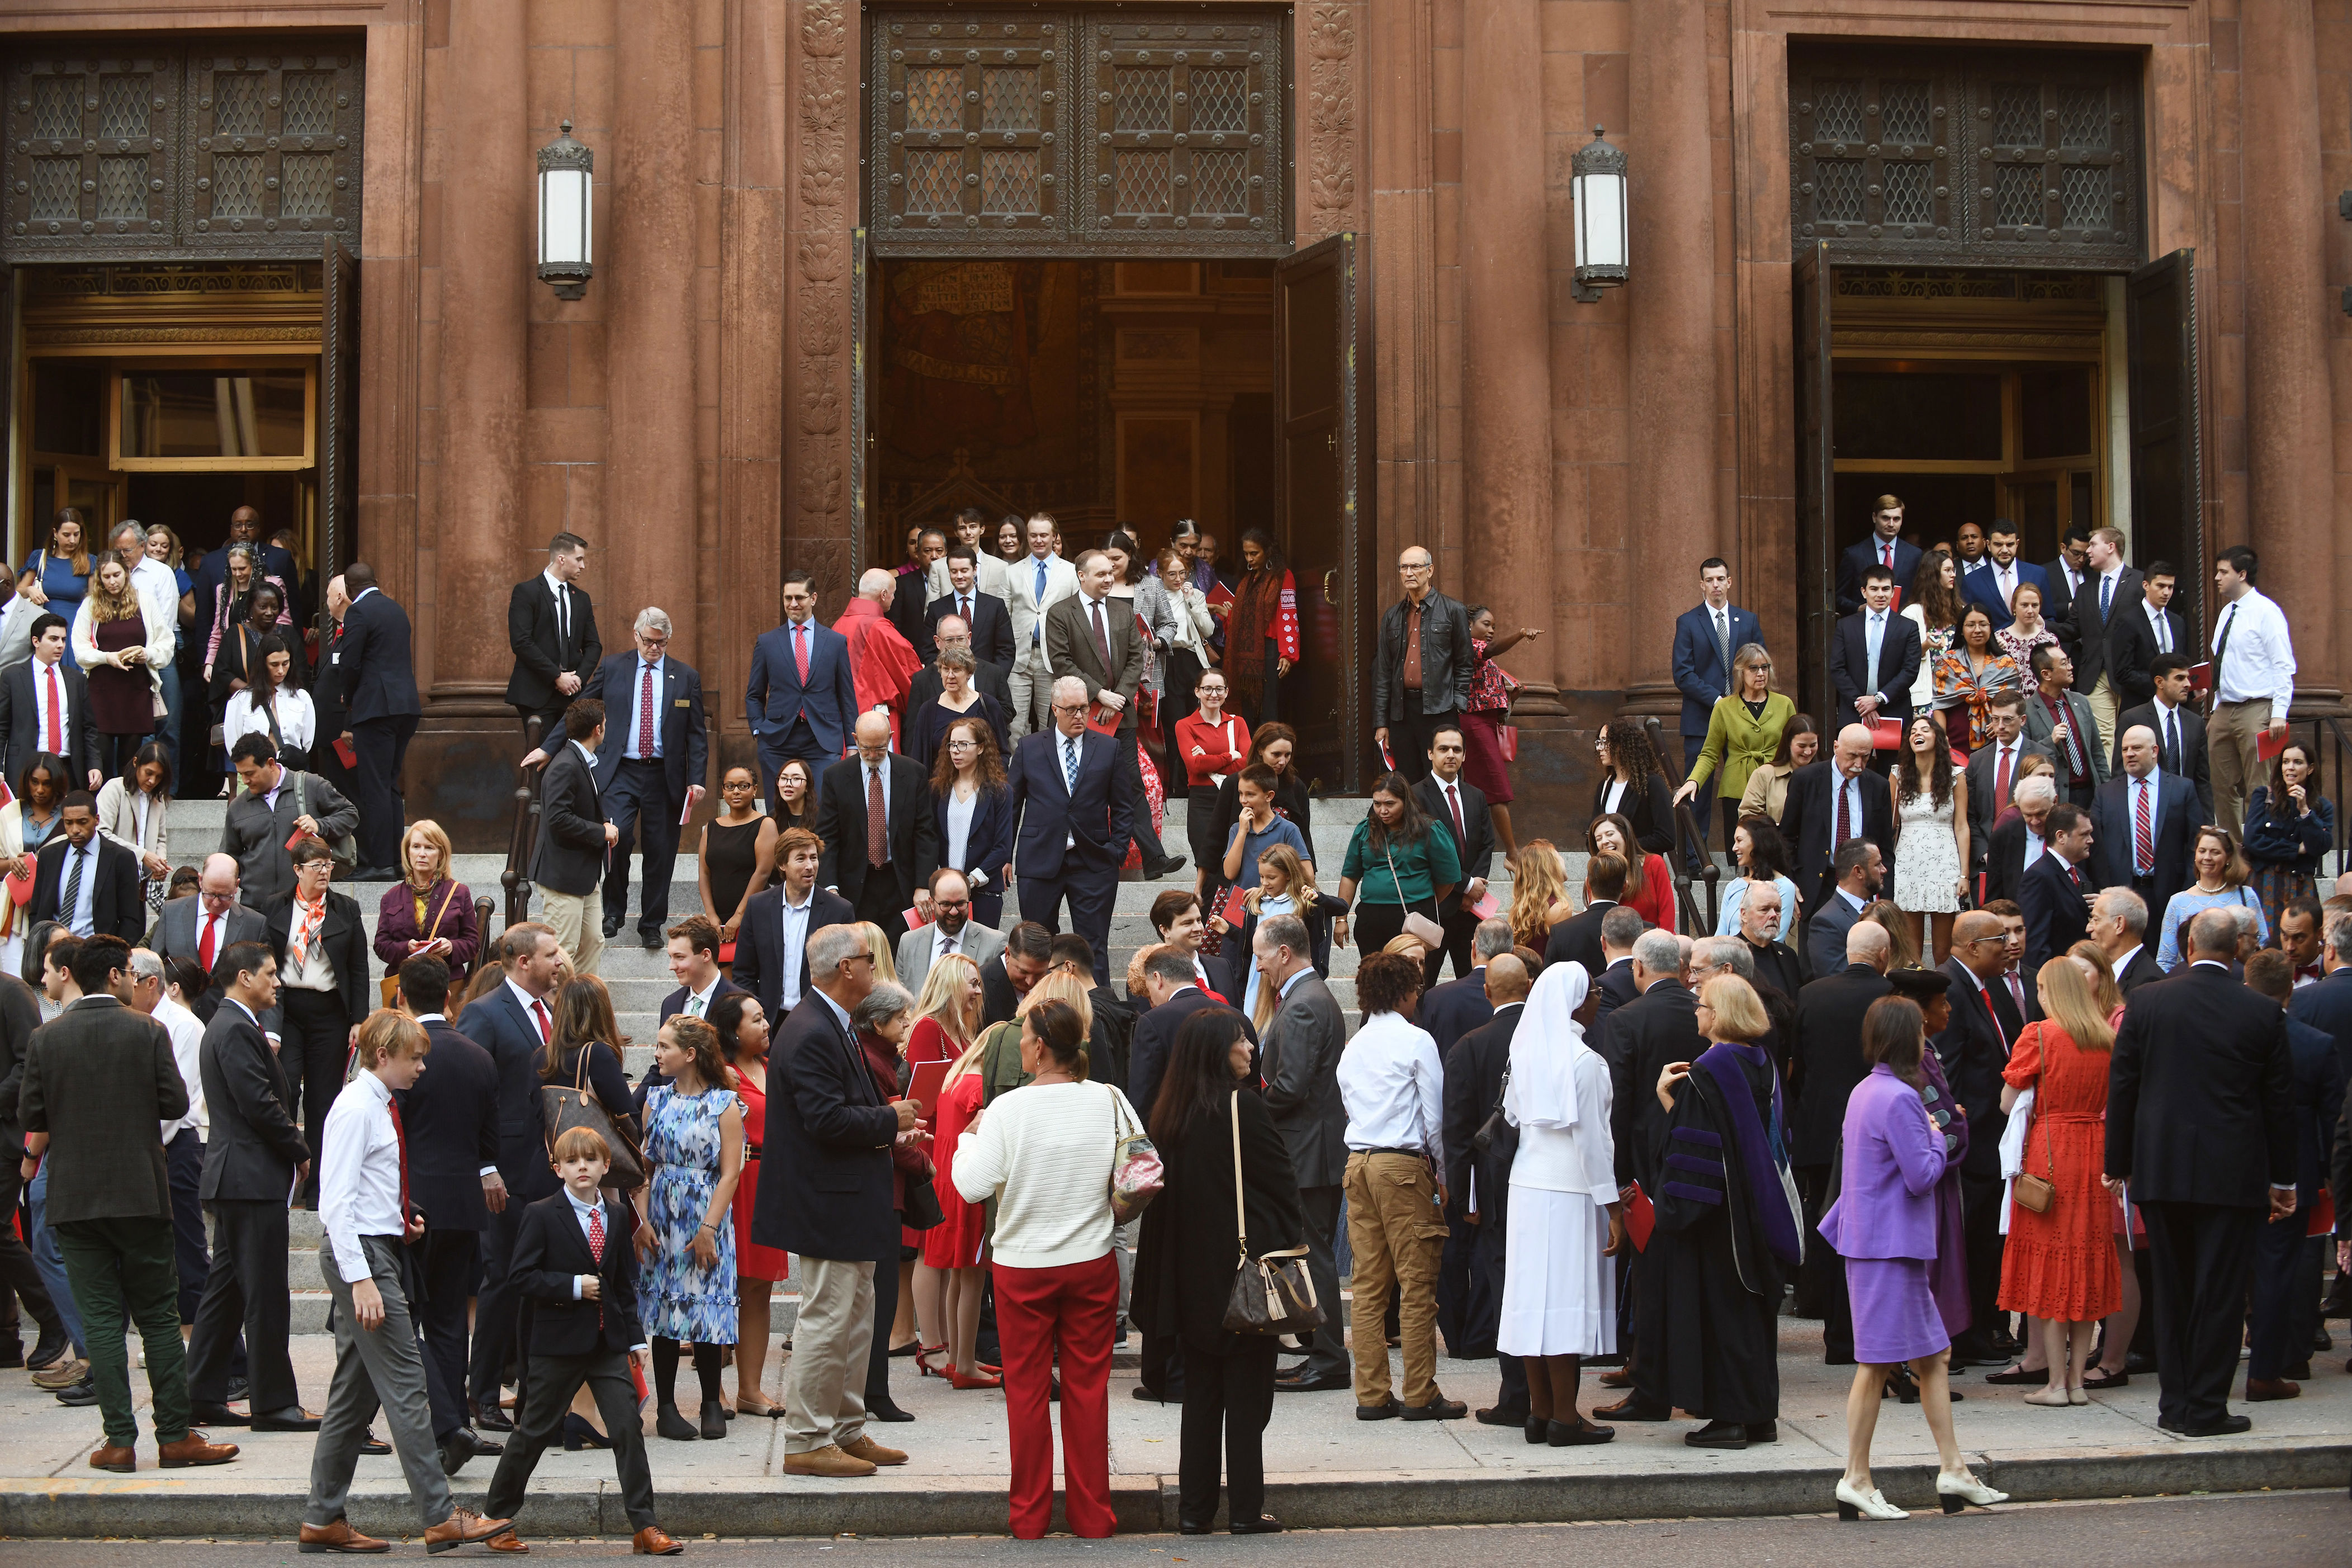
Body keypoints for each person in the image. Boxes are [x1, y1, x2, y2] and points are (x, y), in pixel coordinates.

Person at [17, 934, 235, 1474]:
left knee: (101, 1321)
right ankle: (174, 1435)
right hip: (140, 1193)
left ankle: (118, 1441)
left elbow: (32, 1115)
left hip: (75, 1197)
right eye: (131, 976)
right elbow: (176, 1102)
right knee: (160, 1319)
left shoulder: (48, 1038)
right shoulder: (148, 1031)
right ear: (115, 976)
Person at [299, 1009, 510, 1553]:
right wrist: (363, 1279)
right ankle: (440, 1516)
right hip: (364, 1259)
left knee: (354, 1394)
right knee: (408, 1385)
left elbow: (365, 1192)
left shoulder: (378, 1104)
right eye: (414, 1058)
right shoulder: (355, 1109)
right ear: (381, 1056)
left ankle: (323, 1517)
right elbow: (335, 1205)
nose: (421, 1066)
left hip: (380, 1249)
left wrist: (401, 1219)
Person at [2105, 907, 2297, 1437]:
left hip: (2161, 1168)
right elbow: (2278, 1105)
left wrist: (2116, 1163)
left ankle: (2175, 1403)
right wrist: (2283, 1179)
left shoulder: (2146, 1002)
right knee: (2219, 1289)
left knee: (2171, 1287)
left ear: (2188, 946)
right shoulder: (2261, 1012)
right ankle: (2206, 1406)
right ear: (2237, 949)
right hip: (2231, 1173)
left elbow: (2123, 1085)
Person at [1817, 994, 2008, 1522]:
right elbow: (1923, 1174)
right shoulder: (1900, 1098)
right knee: (1876, 1363)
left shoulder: (1866, 1090)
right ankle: (1855, 1477)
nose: (1929, 1039)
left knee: (1933, 1357)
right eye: (1922, 1031)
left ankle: (1954, 1470)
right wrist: (1935, 1136)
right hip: (1888, 1245)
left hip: (1880, 1241)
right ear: (1909, 1038)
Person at [944, 997, 1125, 1537]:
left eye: (1025, 1036)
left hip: (1023, 1266)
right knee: (1088, 1388)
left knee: (1024, 1391)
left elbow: (973, 1185)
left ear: (1041, 1046)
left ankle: (1029, 1515)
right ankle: (1093, 1514)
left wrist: (964, 1140)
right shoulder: (1109, 1098)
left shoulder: (1007, 1110)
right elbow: (1140, 1164)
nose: (1021, 1043)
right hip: (1091, 1258)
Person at [759, 922, 919, 1478]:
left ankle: (846, 1429)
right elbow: (824, 1119)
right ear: (843, 969)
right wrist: (888, 1119)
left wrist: (885, 1126)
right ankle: (806, 1439)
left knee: (855, 1319)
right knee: (828, 1318)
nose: (873, 967)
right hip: (825, 1202)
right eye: (867, 960)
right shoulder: (809, 1029)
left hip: (849, 1199)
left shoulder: (832, 1023)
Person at [1135, 1005, 1302, 1533]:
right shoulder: (1243, 1107)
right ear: (1216, 1050)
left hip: (1187, 1280)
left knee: (1202, 1397)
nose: (1250, 1050)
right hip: (1240, 1277)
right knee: (1247, 1396)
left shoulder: (1171, 1112)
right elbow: (1282, 1187)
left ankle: (1194, 1510)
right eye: (1240, 1042)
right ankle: (1247, 1510)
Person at [476, 1125, 675, 1555]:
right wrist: (572, 1286)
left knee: (627, 1428)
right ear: (557, 1168)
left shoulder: (618, 1216)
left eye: (590, 1159)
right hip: (557, 1344)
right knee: (532, 1432)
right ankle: (496, 1520)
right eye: (571, 1161)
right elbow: (521, 1276)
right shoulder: (542, 1213)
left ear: (607, 1165)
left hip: (607, 1344)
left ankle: (646, 1526)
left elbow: (623, 1284)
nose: (581, 1167)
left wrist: (636, 1340)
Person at [1639, 973, 1801, 1448]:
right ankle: (1758, 1416)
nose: (1696, 1011)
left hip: (1717, 1220)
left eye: (1702, 1004)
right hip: (1756, 1205)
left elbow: (1696, 1152)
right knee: (1750, 1314)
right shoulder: (1760, 1060)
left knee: (1721, 1314)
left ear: (1720, 1015)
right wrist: (1675, 1101)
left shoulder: (1712, 1067)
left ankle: (1729, 1419)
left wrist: (1672, 1211)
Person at [181, 938, 311, 1429]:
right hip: (247, 1178)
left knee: (227, 1293)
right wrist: (299, 1150)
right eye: (271, 973)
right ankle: (274, 1403)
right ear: (244, 978)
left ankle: (203, 1394)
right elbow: (258, 1103)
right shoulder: (234, 1027)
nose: (278, 981)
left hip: (240, 1177)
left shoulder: (234, 1024)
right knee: (265, 1295)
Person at [527, 607, 709, 952]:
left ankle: (652, 923)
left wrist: (696, 778)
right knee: (615, 840)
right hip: (619, 771)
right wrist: (549, 749)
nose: (655, 648)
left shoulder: (685, 677)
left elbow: (696, 733)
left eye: (662, 642)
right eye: (649, 641)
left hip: (664, 775)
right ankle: (613, 913)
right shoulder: (613, 667)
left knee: (661, 850)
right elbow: (580, 708)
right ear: (636, 636)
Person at [1495, 959, 1623, 1446]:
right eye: (1592, 993)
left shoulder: (1525, 1052)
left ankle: (1541, 1410)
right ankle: (1565, 1416)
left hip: (1527, 1184)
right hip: (1570, 1189)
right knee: (1564, 1299)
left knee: (1534, 1298)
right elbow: (1594, 1142)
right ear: (1574, 1001)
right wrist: (1612, 1205)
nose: (1597, 1000)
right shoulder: (1583, 1061)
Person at [389, 954, 505, 1475]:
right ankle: (456, 1417)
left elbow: (393, 1134)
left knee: (404, 1319)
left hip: (412, 1204)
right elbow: (489, 1138)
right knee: (450, 1319)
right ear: (450, 996)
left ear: (402, 999)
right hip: (463, 1203)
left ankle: (441, 1421)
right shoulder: (479, 1056)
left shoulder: (404, 1055)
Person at [1991, 955, 2125, 1404]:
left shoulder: (2039, 1035)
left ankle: (2053, 1383)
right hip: (2094, 1150)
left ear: (2051, 991)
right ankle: (2076, 1380)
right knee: (2085, 1264)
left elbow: (2008, 1101)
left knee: (2049, 1269)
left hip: (2050, 1152)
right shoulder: (2106, 1037)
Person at [1333, 950, 1456, 1419]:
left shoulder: (1355, 1045)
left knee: (1368, 1284)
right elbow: (1434, 1117)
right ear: (1407, 992)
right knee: (1417, 1281)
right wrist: (1441, 1174)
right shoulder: (1416, 1040)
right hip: (1401, 1165)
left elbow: (1348, 1106)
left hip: (1358, 1162)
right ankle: (1420, 1391)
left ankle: (1371, 1393)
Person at [462, 924, 565, 1434]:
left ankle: (533, 1393)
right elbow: (468, 1090)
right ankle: (481, 1393)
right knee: (502, 1281)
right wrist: (484, 1167)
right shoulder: (485, 1014)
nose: (559, 963)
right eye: (551, 955)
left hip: (549, 1172)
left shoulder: (553, 1012)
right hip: (504, 1175)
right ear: (524, 961)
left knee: (536, 1285)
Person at [2241, 950, 2342, 1400]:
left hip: (2230, 1172)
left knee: (2226, 1271)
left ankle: (2211, 1367)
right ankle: (2267, 1367)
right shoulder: (2314, 1043)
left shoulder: (2228, 1037)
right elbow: (2333, 1122)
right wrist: (2327, 1175)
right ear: (2290, 990)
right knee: (2278, 1273)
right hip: (2294, 1175)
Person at [638, 1014, 744, 1442]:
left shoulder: (724, 1103)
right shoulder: (655, 1098)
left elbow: (731, 1173)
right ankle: (666, 1407)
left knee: (707, 1308)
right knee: (665, 1311)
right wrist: (643, 1219)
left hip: (706, 1209)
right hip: (662, 1212)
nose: (657, 1053)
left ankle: (710, 1402)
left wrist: (708, 1227)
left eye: (664, 1046)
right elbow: (643, 1166)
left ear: (690, 1054)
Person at [1045, 548, 1181, 880]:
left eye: (1111, 573)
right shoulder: (1061, 613)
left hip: (1120, 716)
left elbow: (1139, 657)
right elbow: (1062, 661)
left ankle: (1153, 858)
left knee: (1130, 784)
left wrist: (1118, 698)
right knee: (1075, 787)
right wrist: (1099, 695)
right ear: (1082, 576)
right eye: (1101, 574)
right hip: (1076, 715)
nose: (1109, 579)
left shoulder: (1123, 610)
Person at [1006, 676, 1134, 985]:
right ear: (1054, 710)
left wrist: (1117, 850)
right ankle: (1038, 1010)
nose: (1079, 716)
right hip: (1039, 859)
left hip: (1093, 861)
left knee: (1093, 947)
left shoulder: (1108, 748)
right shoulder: (1029, 747)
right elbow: (1011, 806)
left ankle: (1100, 1016)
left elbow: (1123, 805)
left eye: (1084, 709)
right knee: (1036, 946)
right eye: (1072, 709)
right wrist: (1005, 855)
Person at [268, 836, 370, 1206]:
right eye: (317, 866)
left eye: (328, 865)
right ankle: (286, 1176)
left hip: (330, 1013)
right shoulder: (275, 907)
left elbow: (358, 968)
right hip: (289, 1009)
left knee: (324, 1100)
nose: (325, 872)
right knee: (286, 1088)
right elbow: (269, 965)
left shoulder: (347, 909)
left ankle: (318, 1190)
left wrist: (359, 1019)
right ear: (298, 870)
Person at [326, 562, 421, 880]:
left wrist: (348, 699)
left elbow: (350, 664)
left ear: (349, 591)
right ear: (375, 581)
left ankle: (380, 863)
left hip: (376, 709)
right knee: (391, 785)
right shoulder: (397, 610)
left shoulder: (358, 612)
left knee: (375, 787)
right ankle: (396, 861)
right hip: (405, 708)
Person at [815, 711, 940, 947]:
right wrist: (830, 887)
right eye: (866, 748)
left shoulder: (914, 773)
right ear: (855, 738)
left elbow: (925, 832)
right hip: (854, 883)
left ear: (891, 737)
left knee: (899, 952)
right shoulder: (836, 777)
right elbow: (828, 837)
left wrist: (923, 884)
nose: (873, 755)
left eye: (880, 748)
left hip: (900, 880)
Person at [747, 568, 859, 817]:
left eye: (800, 597)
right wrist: (758, 728)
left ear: (814, 598)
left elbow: (847, 695)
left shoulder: (835, 641)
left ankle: (815, 857)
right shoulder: (767, 642)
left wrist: (852, 743)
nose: (794, 604)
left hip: (822, 740)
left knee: (820, 810)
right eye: (788, 598)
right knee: (779, 812)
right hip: (777, 739)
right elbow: (754, 693)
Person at [1670, 560, 1765, 855]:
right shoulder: (1688, 622)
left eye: (1721, 579)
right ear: (1702, 585)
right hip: (1703, 717)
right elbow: (1683, 673)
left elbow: (1759, 662)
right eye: (1709, 580)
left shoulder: (1747, 620)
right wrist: (1718, 701)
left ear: (1730, 582)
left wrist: (1740, 702)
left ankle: (1750, 854)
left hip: (1743, 719)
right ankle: (1695, 858)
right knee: (1697, 790)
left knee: (1746, 791)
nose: (1716, 585)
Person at [1674, 644, 1793, 859]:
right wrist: (1694, 781)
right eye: (1754, 668)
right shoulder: (1725, 707)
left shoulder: (1784, 704)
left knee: (1778, 852)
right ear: (1740, 671)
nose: (1761, 673)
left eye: (1765, 668)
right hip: (1738, 787)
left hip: (1776, 786)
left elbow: (1795, 747)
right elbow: (1709, 753)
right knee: (1743, 855)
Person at [729, 826, 855, 1021]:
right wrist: (755, 1015)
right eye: (801, 859)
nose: (810, 866)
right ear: (782, 864)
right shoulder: (758, 906)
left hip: (819, 1021)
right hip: (769, 1020)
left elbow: (847, 974)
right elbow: (744, 971)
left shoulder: (839, 911)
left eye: (813, 858)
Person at [531, 697, 617, 975]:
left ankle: (581, 1005)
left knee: (593, 941)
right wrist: (600, 831)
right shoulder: (566, 764)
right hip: (563, 874)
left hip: (584, 874)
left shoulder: (580, 760)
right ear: (597, 729)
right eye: (605, 722)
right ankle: (554, 1012)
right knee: (561, 948)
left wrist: (600, 824)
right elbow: (557, 819)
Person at [1372, 546, 1473, 784]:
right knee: (1407, 781)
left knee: (1443, 778)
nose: (1409, 573)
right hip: (1402, 712)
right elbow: (1383, 672)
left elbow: (1465, 662)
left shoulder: (1453, 610)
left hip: (1441, 710)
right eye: (1404, 567)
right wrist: (1381, 722)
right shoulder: (1392, 616)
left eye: (1415, 567)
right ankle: (1415, 824)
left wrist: (1458, 703)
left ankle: (1443, 823)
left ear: (1430, 571)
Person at [71, 551, 170, 781]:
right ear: (100, 579)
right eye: (106, 577)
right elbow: (80, 650)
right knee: (101, 755)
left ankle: (128, 809)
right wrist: (108, 658)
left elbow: (166, 643)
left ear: (126, 574)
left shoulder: (145, 601)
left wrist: (147, 653)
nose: (112, 581)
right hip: (101, 688)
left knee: (131, 761)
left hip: (135, 687)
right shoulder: (90, 605)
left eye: (117, 575)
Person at [2089, 724, 2199, 931]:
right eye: (2124, 749)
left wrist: (2188, 889)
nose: (2129, 754)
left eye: (2136, 748)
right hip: (2121, 895)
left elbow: (2195, 842)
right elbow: (2094, 847)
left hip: (2170, 891)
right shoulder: (2105, 793)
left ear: (2155, 751)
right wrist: (2104, 890)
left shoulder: (2182, 789)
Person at [1409, 726, 1496, 984]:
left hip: (1470, 912)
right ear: (1430, 753)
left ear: (1465, 756)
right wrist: (1466, 886)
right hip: (1435, 907)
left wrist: (1475, 889)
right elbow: (1424, 852)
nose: (1451, 755)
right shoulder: (1415, 796)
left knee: (1473, 985)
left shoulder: (1476, 796)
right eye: (1443, 749)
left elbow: (1487, 844)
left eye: (1457, 750)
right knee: (1423, 986)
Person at [1780, 723, 1892, 918]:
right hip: (1816, 885)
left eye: (1865, 757)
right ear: (1836, 747)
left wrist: (1886, 898)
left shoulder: (1878, 786)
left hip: (1863, 886)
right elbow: (1786, 837)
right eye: (1852, 756)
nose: (1859, 765)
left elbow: (1885, 847)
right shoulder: (1806, 779)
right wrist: (1790, 884)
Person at [503, 532, 601, 741]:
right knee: (541, 760)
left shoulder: (581, 599)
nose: (583, 566)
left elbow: (594, 645)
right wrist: (556, 677)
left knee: (570, 761)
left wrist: (577, 679)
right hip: (536, 694)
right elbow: (521, 642)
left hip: (573, 697)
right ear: (562, 559)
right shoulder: (527, 592)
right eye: (579, 559)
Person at [1888, 714, 1966, 963]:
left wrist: (1964, 875)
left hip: (1945, 864)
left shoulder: (1956, 776)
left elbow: (1962, 826)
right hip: (1907, 863)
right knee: (1912, 952)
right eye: (1912, 732)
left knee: (1943, 951)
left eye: (1924, 730)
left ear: (1938, 738)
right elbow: (1890, 824)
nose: (1917, 735)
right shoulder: (1898, 776)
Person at [145, 852, 267, 1010]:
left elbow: (266, 979)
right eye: (210, 894)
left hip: (228, 1021)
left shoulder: (254, 923)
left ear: (237, 886)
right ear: (201, 880)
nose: (216, 903)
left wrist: (271, 1032)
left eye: (224, 896)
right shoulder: (172, 911)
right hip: (177, 1018)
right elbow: (155, 968)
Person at [1207, 723, 1314, 896]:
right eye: (1276, 754)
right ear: (1260, 751)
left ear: (1269, 796)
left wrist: (1307, 886)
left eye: (1288, 755)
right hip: (1239, 891)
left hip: (1278, 892)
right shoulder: (1235, 784)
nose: (1282, 761)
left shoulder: (1296, 790)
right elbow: (1215, 837)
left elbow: (1304, 841)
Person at [375, 818, 480, 988]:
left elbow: (473, 943)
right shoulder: (391, 897)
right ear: (408, 852)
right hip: (404, 985)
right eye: (416, 847)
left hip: (446, 984)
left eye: (429, 848)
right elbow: (381, 945)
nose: (422, 853)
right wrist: (406, 949)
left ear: (441, 855)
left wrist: (451, 947)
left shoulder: (459, 893)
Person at [2, 613, 102, 790]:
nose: (60, 645)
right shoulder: (13, 677)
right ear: (36, 641)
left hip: (68, 768)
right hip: (27, 768)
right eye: (53, 639)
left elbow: (89, 729)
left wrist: (94, 764)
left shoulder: (77, 680)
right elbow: (2, 727)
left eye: (63, 639)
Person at [29, 789, 143, 941]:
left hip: (98, 952)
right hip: (54, 949)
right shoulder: (49, 856)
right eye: (69, 823)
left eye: (82, 822)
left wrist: (116, 954)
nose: (75, 830)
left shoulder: (122, 858)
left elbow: (130, 919)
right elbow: (37, 911)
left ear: (96, 820)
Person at [1219, 529, 1303, 729]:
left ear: (1267, 551)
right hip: (1245, 654)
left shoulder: (1282, 576)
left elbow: (1288, 614)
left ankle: (1269, 755)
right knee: (1246, 709)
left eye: (1254, 553)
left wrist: (1288, 653)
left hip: (1271, 649)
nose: (1250, 558)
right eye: (1246, 554)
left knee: (1269, 706)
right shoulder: (1247, 580)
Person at [2154, 825, 2268, 971]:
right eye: (2202, 851)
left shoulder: (2247, 895)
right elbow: (2165, 960)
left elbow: (2262, 943)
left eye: (2215, 852)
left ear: (2228, 857)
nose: (2207, 858)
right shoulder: (2178, 901)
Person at [2113, 652, 2212, 822]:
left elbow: (2202, 779)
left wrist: (2207, 823)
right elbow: (2120, 772)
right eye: (2180, 678)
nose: (2188, 684)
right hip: (2145, 812)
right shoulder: (2133, 718)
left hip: (2185, 812)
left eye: (2188, 678)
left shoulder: (2195, 723)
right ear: (2160, 682)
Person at [1831, 564, 1922, 743]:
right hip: (1854, 709)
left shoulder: (1908, 627)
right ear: (1864, 592)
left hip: (1894, 709)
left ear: (1893, 592)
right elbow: (1837, 668)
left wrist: (1878, 699)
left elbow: (1910, 670)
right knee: (1852, 766)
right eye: (1874, 589)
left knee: (1891, 769)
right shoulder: (1846, 626)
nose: (1880, 594)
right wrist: (1863, 703)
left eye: (1886, 589)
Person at [835, 568, 927, 741]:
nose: (894, 598)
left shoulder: (840, 623)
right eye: (893, 594)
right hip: (875, 715)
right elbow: (910, 671)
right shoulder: (878, 627)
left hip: (843, 711)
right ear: (884, 594)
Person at [2244, 741, 2334, 917]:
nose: (2290, 768)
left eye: (2297, 762)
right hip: (2265, 882)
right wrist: (2296, 849)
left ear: (2310, 769)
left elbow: (2319, 847)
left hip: (2301, 884)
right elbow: (2252, 841)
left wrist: (2305, 811)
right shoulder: (2264, 796)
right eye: (2286, 762)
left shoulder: (2322, 807)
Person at [693, 765, 776, 955]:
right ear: (723, 791)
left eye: (743, 786)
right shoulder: (711, 827)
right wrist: (711, 915)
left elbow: (762, 873)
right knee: (724, 976)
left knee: (745, 977)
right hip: (719, 919)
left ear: (755, 789)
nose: (736, 791)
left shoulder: (765, 824)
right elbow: (704, 874)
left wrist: (739, 915)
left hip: (753, 914)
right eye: (730, 786)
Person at [1933, 604, 2022, 757]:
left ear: (1990, 628)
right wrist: (1942, 738)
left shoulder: (2005, 663)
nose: (1978, 630)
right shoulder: (1947, 662)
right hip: (1954, 741)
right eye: (1971, 625)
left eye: (1983, 625)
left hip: (1996, 737)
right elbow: (1939, 705)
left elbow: (2013, 702)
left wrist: (2001, 724)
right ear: (1961, 630)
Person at [906, 646, 1009, 776]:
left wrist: (991, 783)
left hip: (982, 786)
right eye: (945, 669)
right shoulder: (928, 710)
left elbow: (1003, 753)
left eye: (957, 670)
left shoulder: (989, 705)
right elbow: (919, 758)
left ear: (969, 673)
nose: (950, 676)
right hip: (940, 789)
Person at [219, 633, 315, 773]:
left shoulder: (302, 698)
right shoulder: (241, 699)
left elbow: (307, 743)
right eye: (274, 664)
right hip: (253, 774)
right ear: (263, 664)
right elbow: (233, 744)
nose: (281, 670)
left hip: (290, 773)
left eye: (285, 663)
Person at [2019, 800, 2095, 972]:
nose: (2091, 840)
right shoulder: (2038, 877)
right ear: (2061, 836)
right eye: (2084, 834)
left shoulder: (2079, 874)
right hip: (2057, 981)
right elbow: (2035, 943)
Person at [2111, 558, 2189, 708]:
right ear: (2146, 585)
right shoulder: (2128, 621)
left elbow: (2181, 663)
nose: (2166, 592)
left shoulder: (2177, 622)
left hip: (2175, 707)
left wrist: (2191, 688)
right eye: (2160, 586)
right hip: (2141, 705)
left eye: (2170, 587)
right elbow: (2122, 672)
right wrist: (2162, 685)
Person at [1902, 546, 1963, 735]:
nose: (1953, 575)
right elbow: (1902, 658)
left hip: (1958, 693)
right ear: (1933, 575)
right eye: (1947, 571)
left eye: (1953, 570)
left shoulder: (1961, 609)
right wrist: (1927, 645)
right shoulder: (1913, 613)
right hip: (1928, 696)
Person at [1804, 839, 1885, 981]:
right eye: (1878, 865)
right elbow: (1837, 980)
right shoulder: (1826, 922)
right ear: (1858, 871)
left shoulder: (1881, 910)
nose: (1884, 870)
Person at [926, 540, 1016, 667]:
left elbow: (1006, 650)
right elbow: (928, 652)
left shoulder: (995, 606)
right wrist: (944, 678)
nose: (959, 576)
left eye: (964, 570)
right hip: (947, 682)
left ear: (974, 570)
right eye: (954, 571)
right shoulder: (936, 608)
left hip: (986, 682)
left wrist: (993, 680)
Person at [1713, 817, 1799, 943]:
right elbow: (1720, 937)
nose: (1734, 848)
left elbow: (1775, 940)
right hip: (1729, 958)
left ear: (1758, 842)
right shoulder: (1733, 886)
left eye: (1740, 841)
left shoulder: (1784, 886)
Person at [1835, 493, 1923, 613]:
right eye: (1886, 518)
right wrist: (1858, 608)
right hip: (1864, 625)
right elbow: (1838, 598)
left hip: (1902, 626)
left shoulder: (1914, 555)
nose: (1891, 524)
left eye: (1896, 519)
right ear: (1874, 517)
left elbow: (1922, 595)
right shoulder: (1854, 555)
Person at [1590, 811, 1674, 934]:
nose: (1604, 841)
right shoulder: (1597, 872)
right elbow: (1596, 915)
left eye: (1610, 834)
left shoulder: (1654, 863)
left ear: (1625, 835)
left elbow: (1667, 914)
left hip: (1651, 944)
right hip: (1615, 947)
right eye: (1599, 839)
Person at [1960, 517, 2047, 630]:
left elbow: (2048, 617)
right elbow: (1968, 623)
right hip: (1991, 646)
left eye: (2010, 544)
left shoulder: (2038, 574)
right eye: (1998, 545)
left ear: (2017, 544)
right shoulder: (1972, 581)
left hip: (2033, 645)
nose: (2005, 550)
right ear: (1988, 545)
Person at [1736, 713, 1818, 827]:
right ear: (1788, 743)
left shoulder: (1825, 775)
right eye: (1802, 746)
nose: (1808, 752)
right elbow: (1748, 816)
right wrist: (1776, 828)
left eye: (1813, 745)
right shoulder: (1765, 774)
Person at [1506, 839, 1571, 953]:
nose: (1562, 859)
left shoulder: (1521, 908)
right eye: (1558, 856)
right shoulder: (1559, 908)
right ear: (1549, 866)